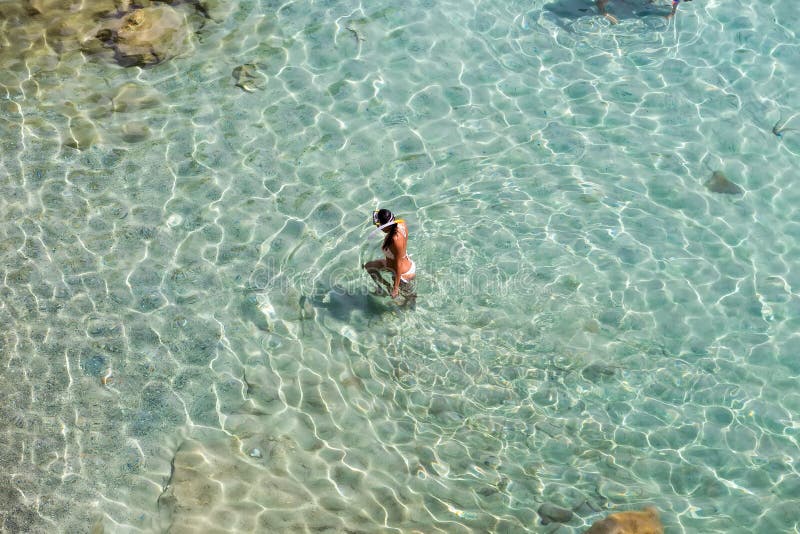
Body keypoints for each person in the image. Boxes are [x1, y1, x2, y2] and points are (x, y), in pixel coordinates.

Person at [363, 209, 416, 300]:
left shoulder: (394, 240)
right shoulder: (401, 225)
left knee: (409, 301)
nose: (377, 227)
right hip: (396, 264)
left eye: (379, 225)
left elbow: (398, 265)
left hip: (402, 273)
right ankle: (387, 287)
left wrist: (395, 288)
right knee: (369, 267)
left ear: (385, 226)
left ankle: (395, 292)